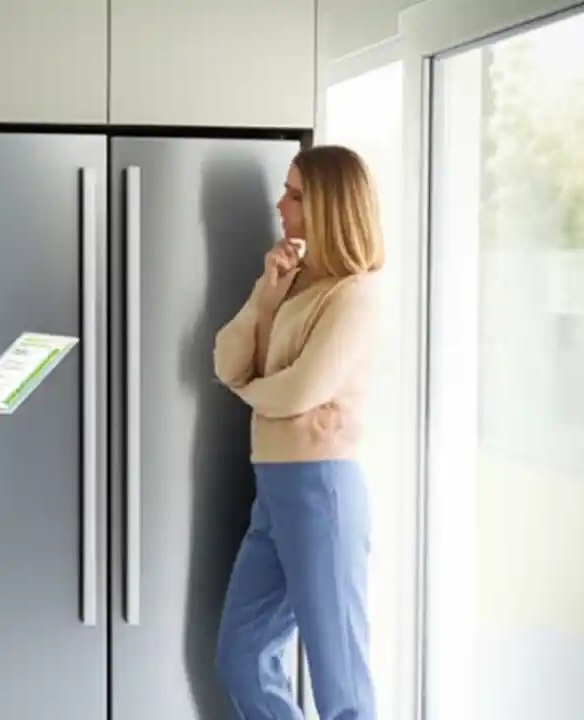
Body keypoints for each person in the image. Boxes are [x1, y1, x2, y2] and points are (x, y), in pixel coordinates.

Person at [212, 145, 384, 720]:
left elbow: (296, 392)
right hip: (275, 493)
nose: (279, 203)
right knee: (243, 657)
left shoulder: (354, 295)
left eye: (293, 195)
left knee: (342, 688)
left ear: (328, 207)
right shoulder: (292, 284)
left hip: (321, 494)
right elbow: (226, 360)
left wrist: (253, 392)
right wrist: (266, 292)